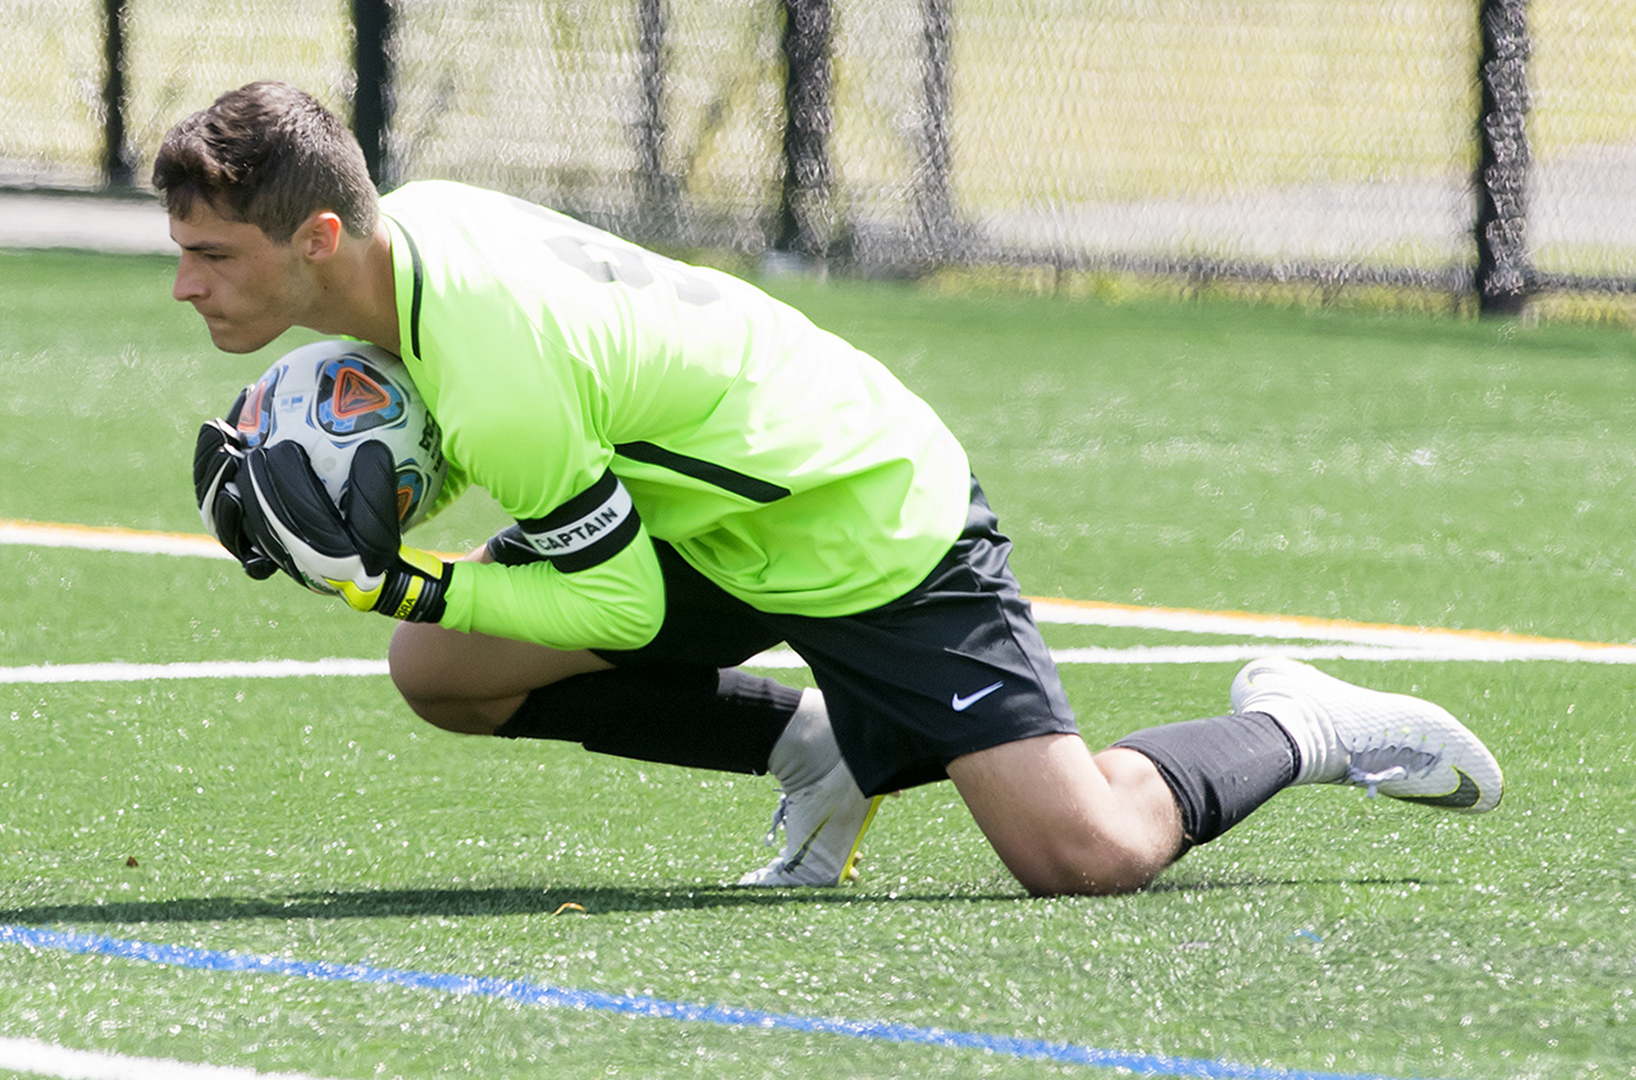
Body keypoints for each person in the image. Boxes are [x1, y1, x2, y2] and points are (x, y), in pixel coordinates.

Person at [157, 82, 1504, 896]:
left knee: (1081, 854)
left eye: (213, 255)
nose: (188, 284)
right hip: (703, 516)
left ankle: (1302, 724)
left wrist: (398, 573)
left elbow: (615, 607)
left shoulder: (492, 356)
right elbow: (498, 431)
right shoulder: (419, 230)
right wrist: (370, 493)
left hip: (863, 515)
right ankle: (819, 756)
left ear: (318, 234)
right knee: (443, 671)